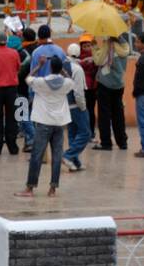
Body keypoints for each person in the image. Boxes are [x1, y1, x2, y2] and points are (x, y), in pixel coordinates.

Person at [21, 55, 75, 198]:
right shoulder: (66, 83)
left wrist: (39, 65)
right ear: (60, 68)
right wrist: (63, 70)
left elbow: (27, 78)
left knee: (37, 156)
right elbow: (70, 79)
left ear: (50, 67)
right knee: (57, 156)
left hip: (43, 122)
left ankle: (30, 188)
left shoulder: (41, 82)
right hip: (59, 123)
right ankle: (52, 189)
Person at [93, 32, 131, 151]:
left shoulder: (108, 45)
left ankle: (106, 143)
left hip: (105, 84)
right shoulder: (124, 46)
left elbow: (98, 61)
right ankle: (122, 142)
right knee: (118, 114)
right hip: (119, 84)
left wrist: (94, 47)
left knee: (104, 115)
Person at [63, 43, 91, 171]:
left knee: (73, 134)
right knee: (85, 133)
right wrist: (83, 107)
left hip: (65, 105)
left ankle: (75, 162)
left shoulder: (63, 66)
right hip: (76, 105)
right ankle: (68, 156)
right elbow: (79, 92)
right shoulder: (78, 70)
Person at [16, 26, 38, 152]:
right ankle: (29, 141)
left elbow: (20, 71)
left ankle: (33, 140)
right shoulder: (38, 49)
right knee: (32, 116)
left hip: (22, 87)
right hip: (36, 88)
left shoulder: (22, 52)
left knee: (22, 115)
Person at [76, 34, 98, 137]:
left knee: (90, 110)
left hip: (92, 87)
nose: (87, 48)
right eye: (84, 46)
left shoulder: (96, 57)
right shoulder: (78, 58)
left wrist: (94, 61)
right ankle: (84, 131)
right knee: (82, 110)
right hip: (82, 86)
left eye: (89, 46)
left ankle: (91, 131)